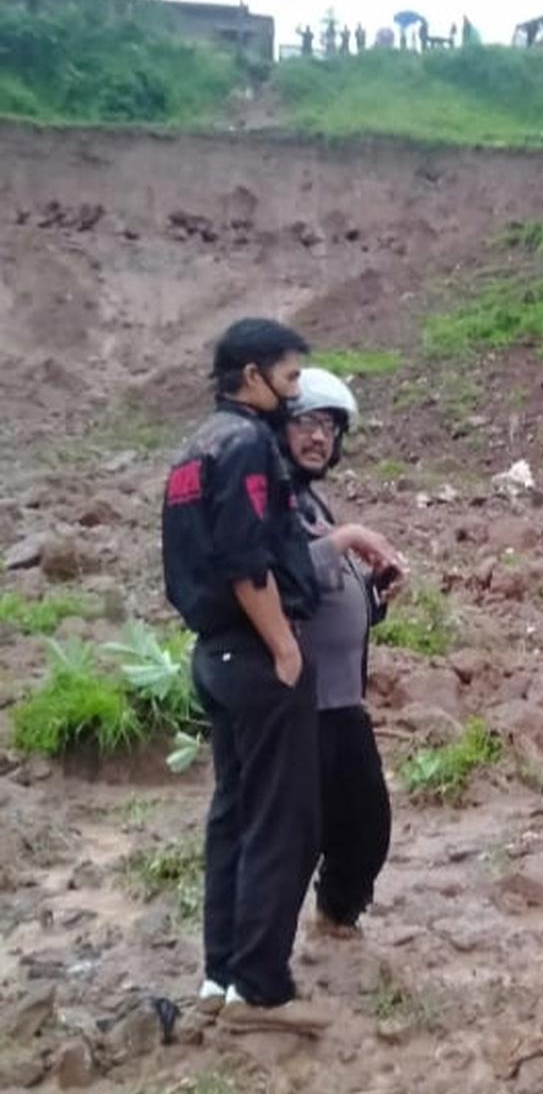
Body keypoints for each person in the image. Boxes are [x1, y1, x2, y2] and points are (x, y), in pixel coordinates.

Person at [162, 319, 389, 1034]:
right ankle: (259, 991)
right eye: (290, 381)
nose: (296, 398)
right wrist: (284, 648)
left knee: (236, 818)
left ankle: (223, 979)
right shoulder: (248, 446)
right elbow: (246, 559)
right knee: (278, 826)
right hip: (256, 657)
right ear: (254, 376)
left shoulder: (200, 444)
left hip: (218, 653)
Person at [279, 369, 402, 938]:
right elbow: (281, 577)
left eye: (329, 427)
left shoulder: (314, 504)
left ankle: (334, 919)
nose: (319, 437)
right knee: (295, 837)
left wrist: (373, 596)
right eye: (307, 422)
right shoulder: (271, 502)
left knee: (366, 824)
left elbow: (326, 599)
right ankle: (261, 957)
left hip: (342, 701)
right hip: (299, 705)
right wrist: (349, 539)